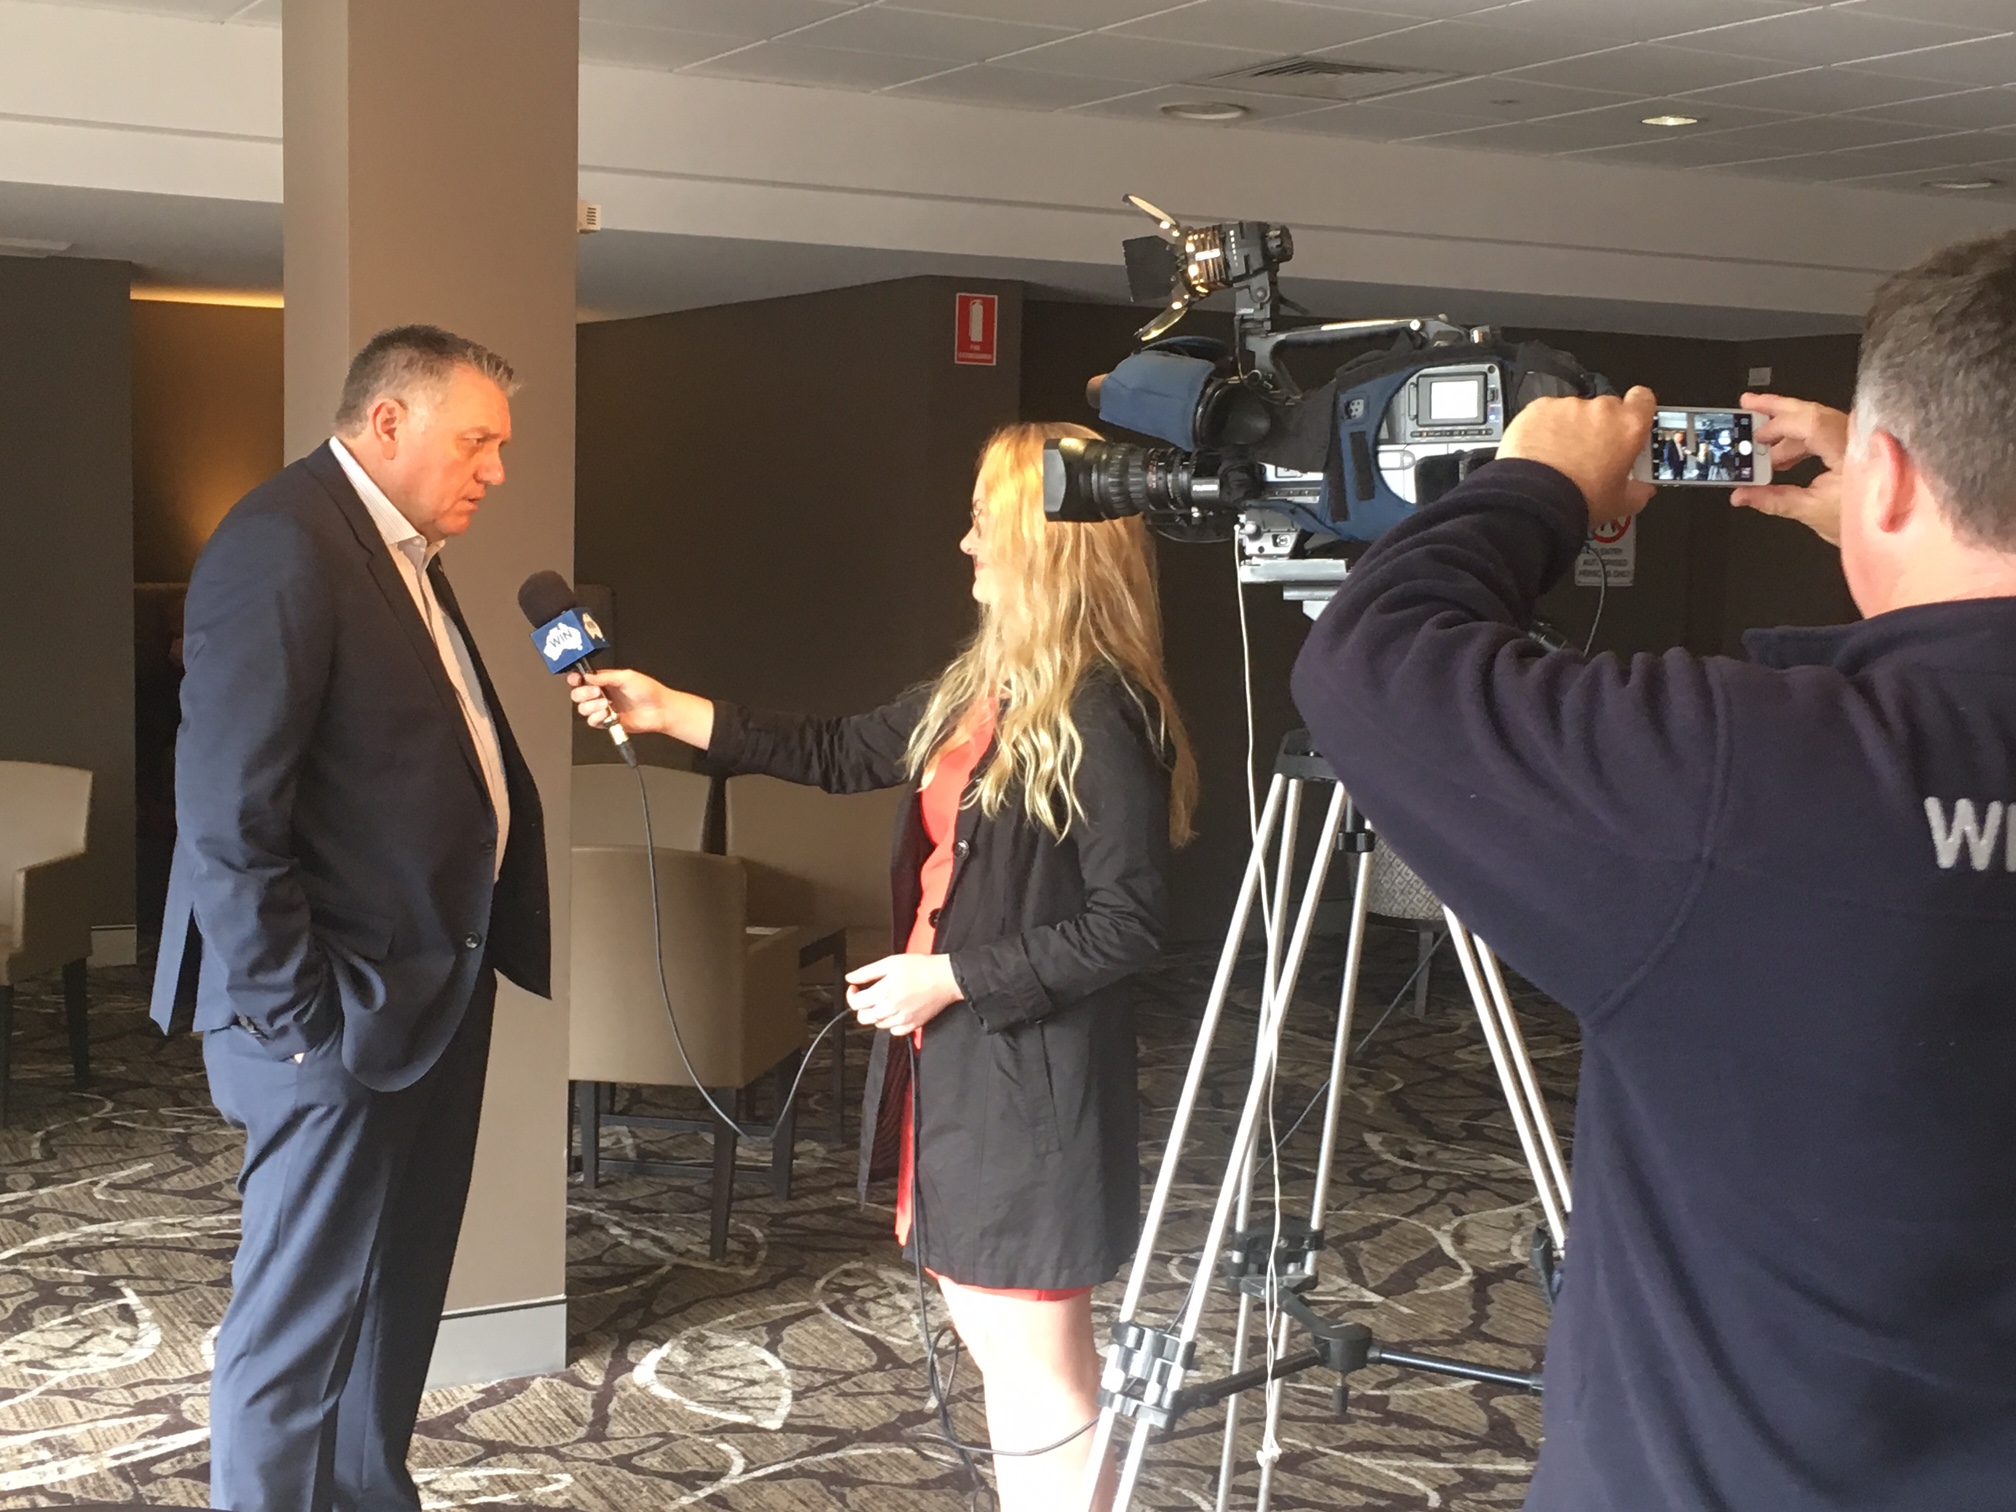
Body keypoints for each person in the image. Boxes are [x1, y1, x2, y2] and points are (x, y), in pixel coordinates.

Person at [1290, 229, 2016, 1510]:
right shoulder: (1771, 764)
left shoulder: (1752, 775)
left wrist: (1539, 485)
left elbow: (1375, 663)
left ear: (1886, 475)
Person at [569, 421, 1196, 1510]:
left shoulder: (1098, 708)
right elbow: (836, 749)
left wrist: (951, 977)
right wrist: (668, 711)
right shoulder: (988, 686)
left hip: (1029, 1089)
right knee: (993, 1330)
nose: (964, 546)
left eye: (983, 522)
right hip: (962, 1069)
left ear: (1052, 542)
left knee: (1033, 1352)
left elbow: (1132, 922)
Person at [151, 325, 551, 1512]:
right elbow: (227, 813)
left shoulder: (401, 553)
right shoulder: (283, 543)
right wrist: (296, 1019)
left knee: (392, 1301)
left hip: (428, 994)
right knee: (296, 1330)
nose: (496, 469)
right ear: (389, 423)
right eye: (477, 441)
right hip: (331, 1014)